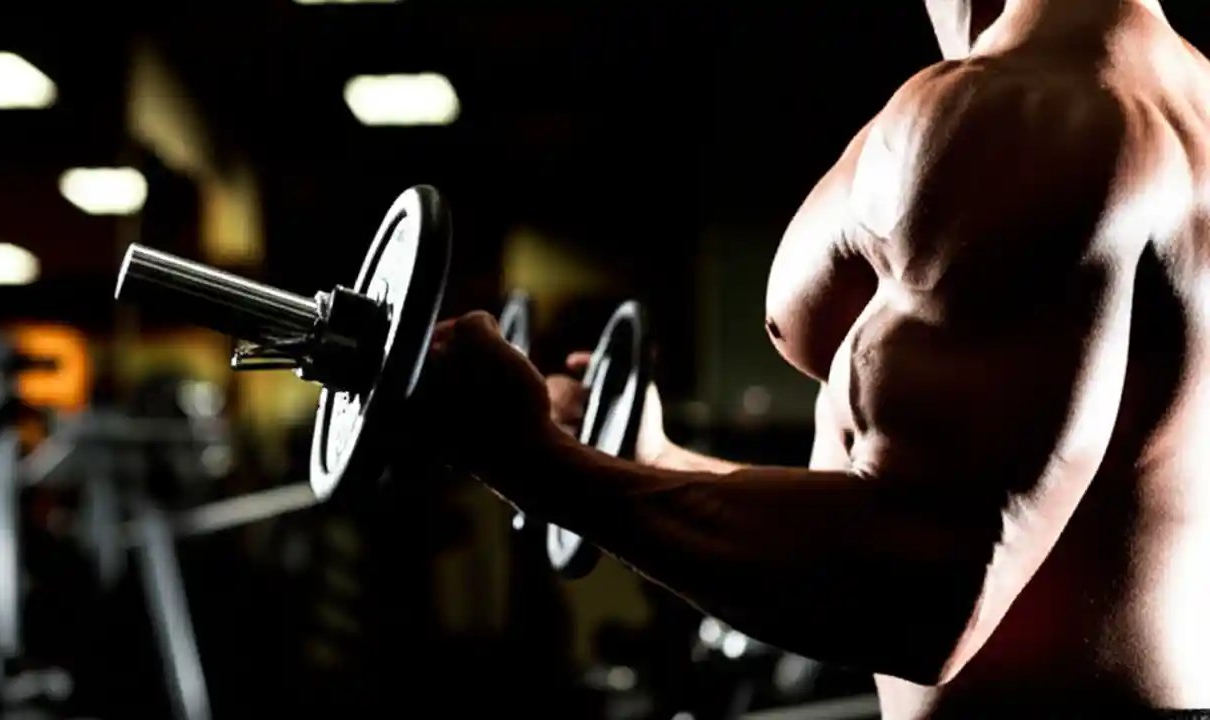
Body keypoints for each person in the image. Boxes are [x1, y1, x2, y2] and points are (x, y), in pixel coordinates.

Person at [422, 0, 1210, 716]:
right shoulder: (1175, 97)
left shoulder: (1033, 113)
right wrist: (648, 462)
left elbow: (920, 592)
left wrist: (531, 463)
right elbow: (934, 503)